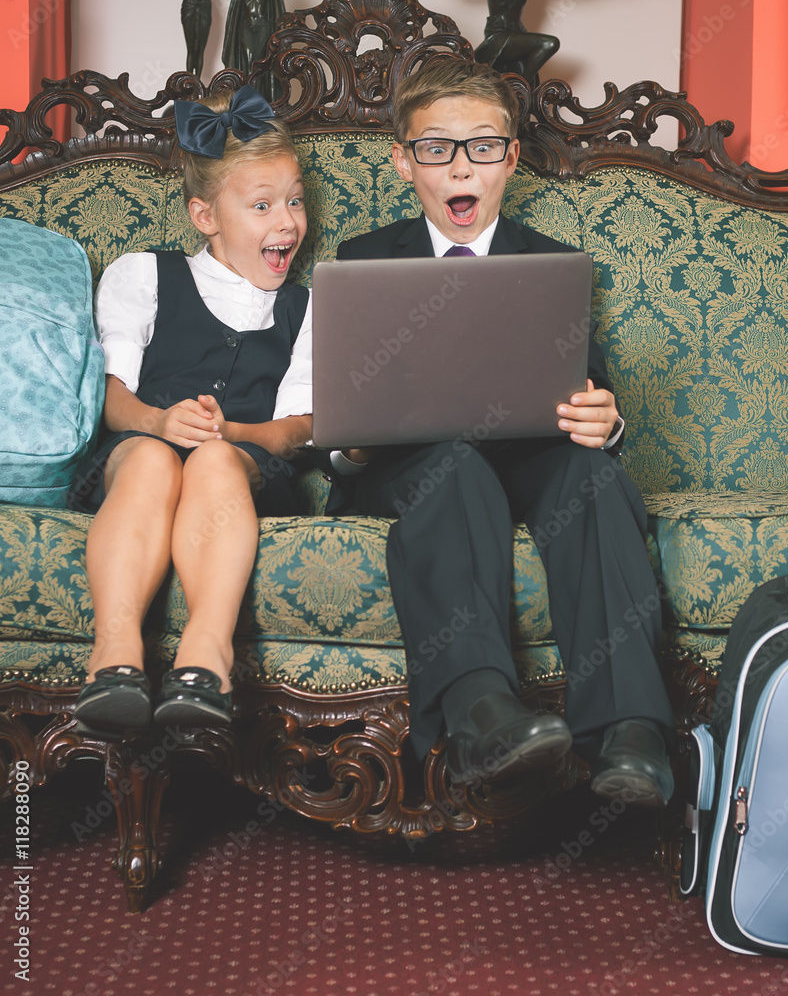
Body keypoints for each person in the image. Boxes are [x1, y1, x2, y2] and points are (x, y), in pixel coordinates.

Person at [329, 60, 676, 806]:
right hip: (416, 464)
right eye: (437, 149)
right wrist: (349, 444)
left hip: (531, 458)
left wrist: (605, 420)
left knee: (593, 478)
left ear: (511, 158)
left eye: (483, 147)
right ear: (404, 161)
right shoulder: (362, 260)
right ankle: (483, 711)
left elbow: (589, 389)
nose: (462, 168)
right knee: (453, 467)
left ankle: (630, 729)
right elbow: (342, 418)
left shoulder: (551, 263)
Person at [70, 85, 312, 735]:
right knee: (152, 461)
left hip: (241, 461)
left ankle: (206, 659)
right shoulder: (145, 274)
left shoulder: (306, 306)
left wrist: (231, 432)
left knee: (213, 462)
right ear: (205, 215)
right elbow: (113, 399)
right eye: (261, 205)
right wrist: (156, 421)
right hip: (141, 448)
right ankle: (114, 657)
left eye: (295, 201)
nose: (287, 223)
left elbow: (299, 428)